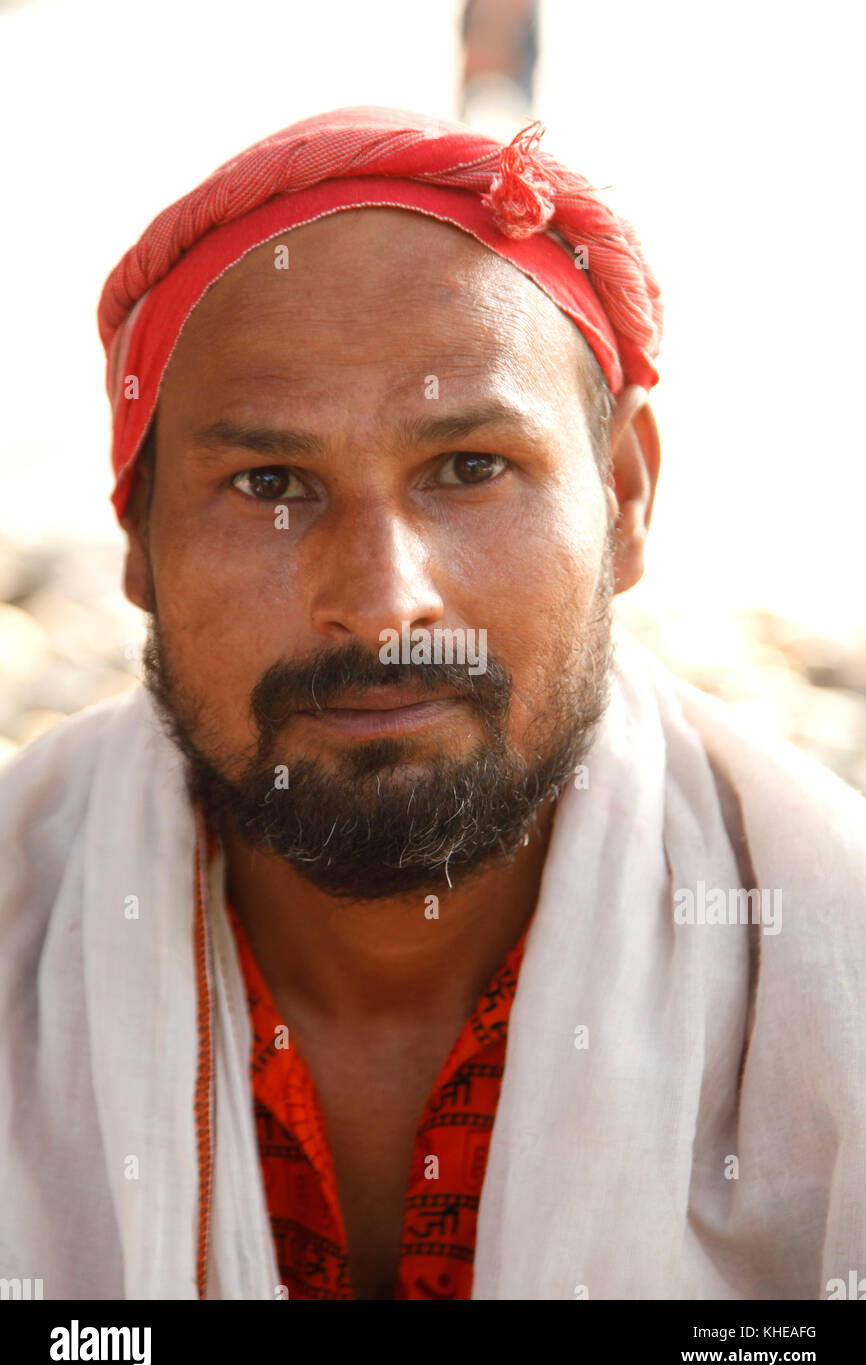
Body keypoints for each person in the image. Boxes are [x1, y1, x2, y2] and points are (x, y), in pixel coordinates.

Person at [1, 106, 864, 1302]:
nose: (380, 605)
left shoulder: (836, 966)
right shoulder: (17, 922)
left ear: (622, 499)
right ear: (137, 539)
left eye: (467, 469)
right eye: (269, 484)